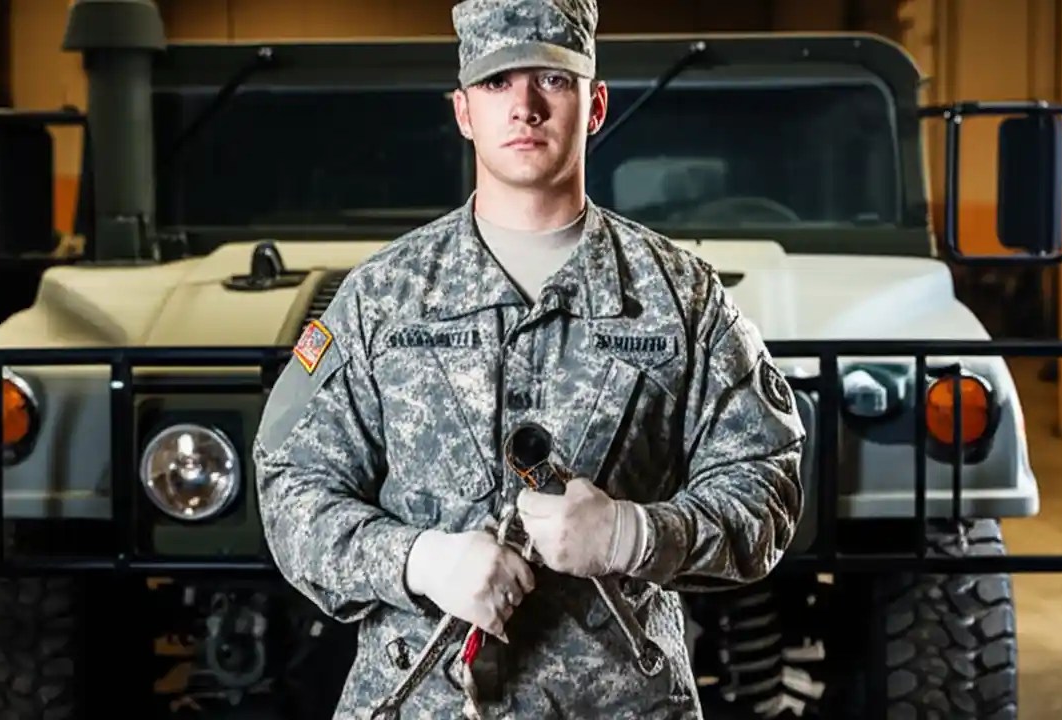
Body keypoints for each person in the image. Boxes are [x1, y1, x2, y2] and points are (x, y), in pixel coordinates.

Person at [252, 0, 806, 716]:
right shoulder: (381, 297)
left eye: (553, 79)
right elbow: (292, 486)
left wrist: (634, 534)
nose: (525, 106)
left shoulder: (680, 298)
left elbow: (765, 483)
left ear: (595, 105)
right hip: (420, 701)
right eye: (496, 82)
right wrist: (420, 560)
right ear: (463, 111)